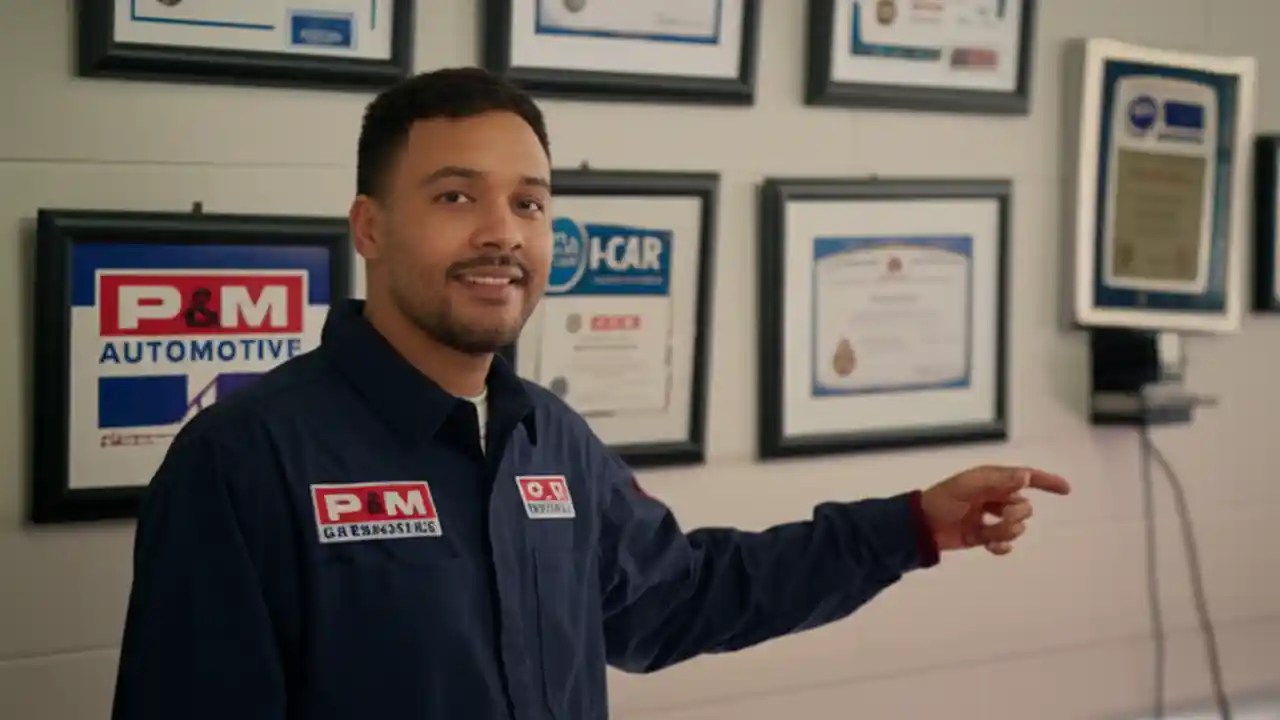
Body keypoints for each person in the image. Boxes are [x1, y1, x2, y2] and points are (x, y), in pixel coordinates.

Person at [110, 67, 1071, 719]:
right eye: (455, 197)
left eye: (528, 202)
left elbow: (683, 598)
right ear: (369, 226)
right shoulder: (245, 461)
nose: (501, 232)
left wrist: (909, 527)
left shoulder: (548, 441)